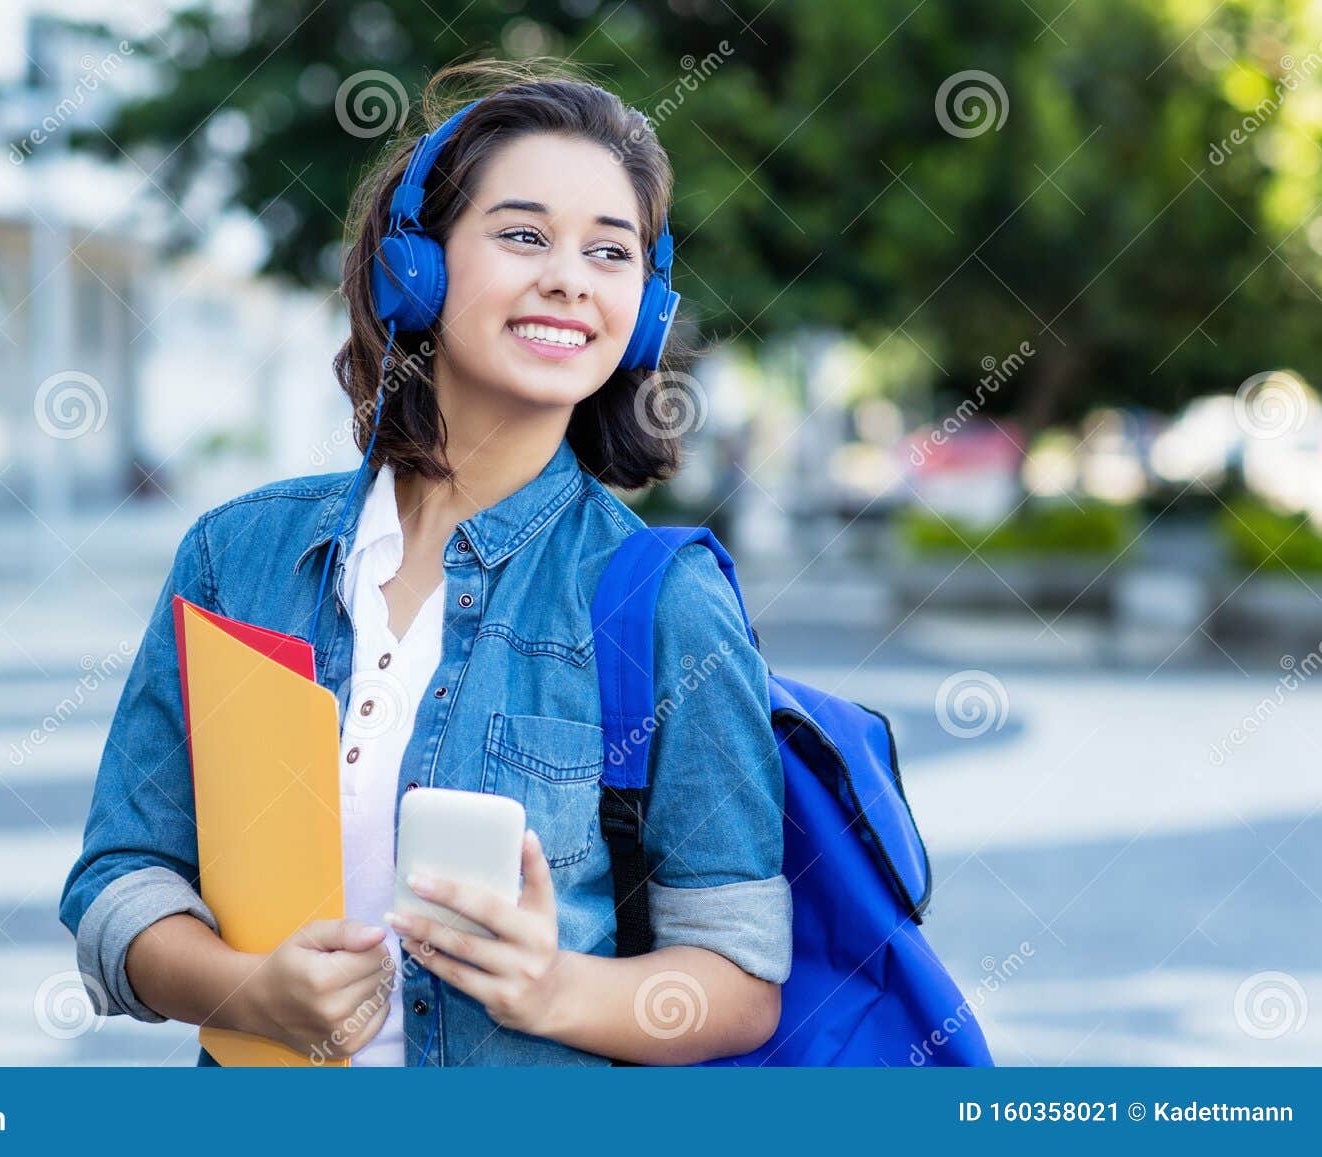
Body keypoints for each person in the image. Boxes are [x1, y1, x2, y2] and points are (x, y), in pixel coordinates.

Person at [58, 58, 791, 1067]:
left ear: (645, 307)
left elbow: (740, 979)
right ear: (418, 264)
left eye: (610, 252)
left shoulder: (664, 599)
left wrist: (555, 987)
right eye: (523, 235)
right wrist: (248, 989)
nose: (570, 277)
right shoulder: (236, 558)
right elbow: (119, 883)